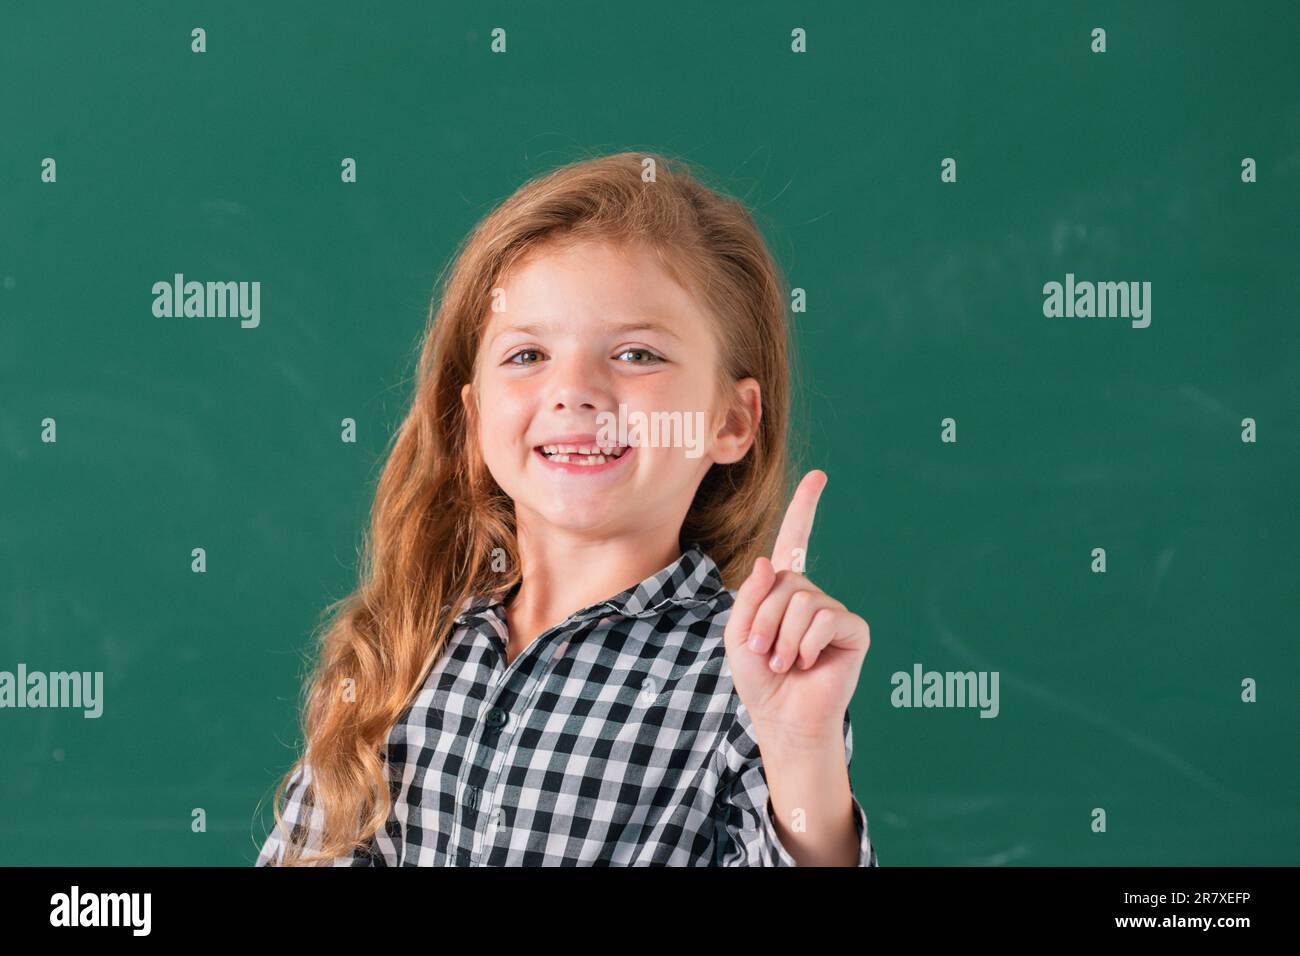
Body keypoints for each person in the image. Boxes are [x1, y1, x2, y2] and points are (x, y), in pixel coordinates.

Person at [255, 151, 877, 866]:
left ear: (732, 422)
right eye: (527, 356)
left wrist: (801, 751)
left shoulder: (753, 677)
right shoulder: (403, 642)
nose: (574, 391)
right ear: (472, 417)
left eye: (638, 354)